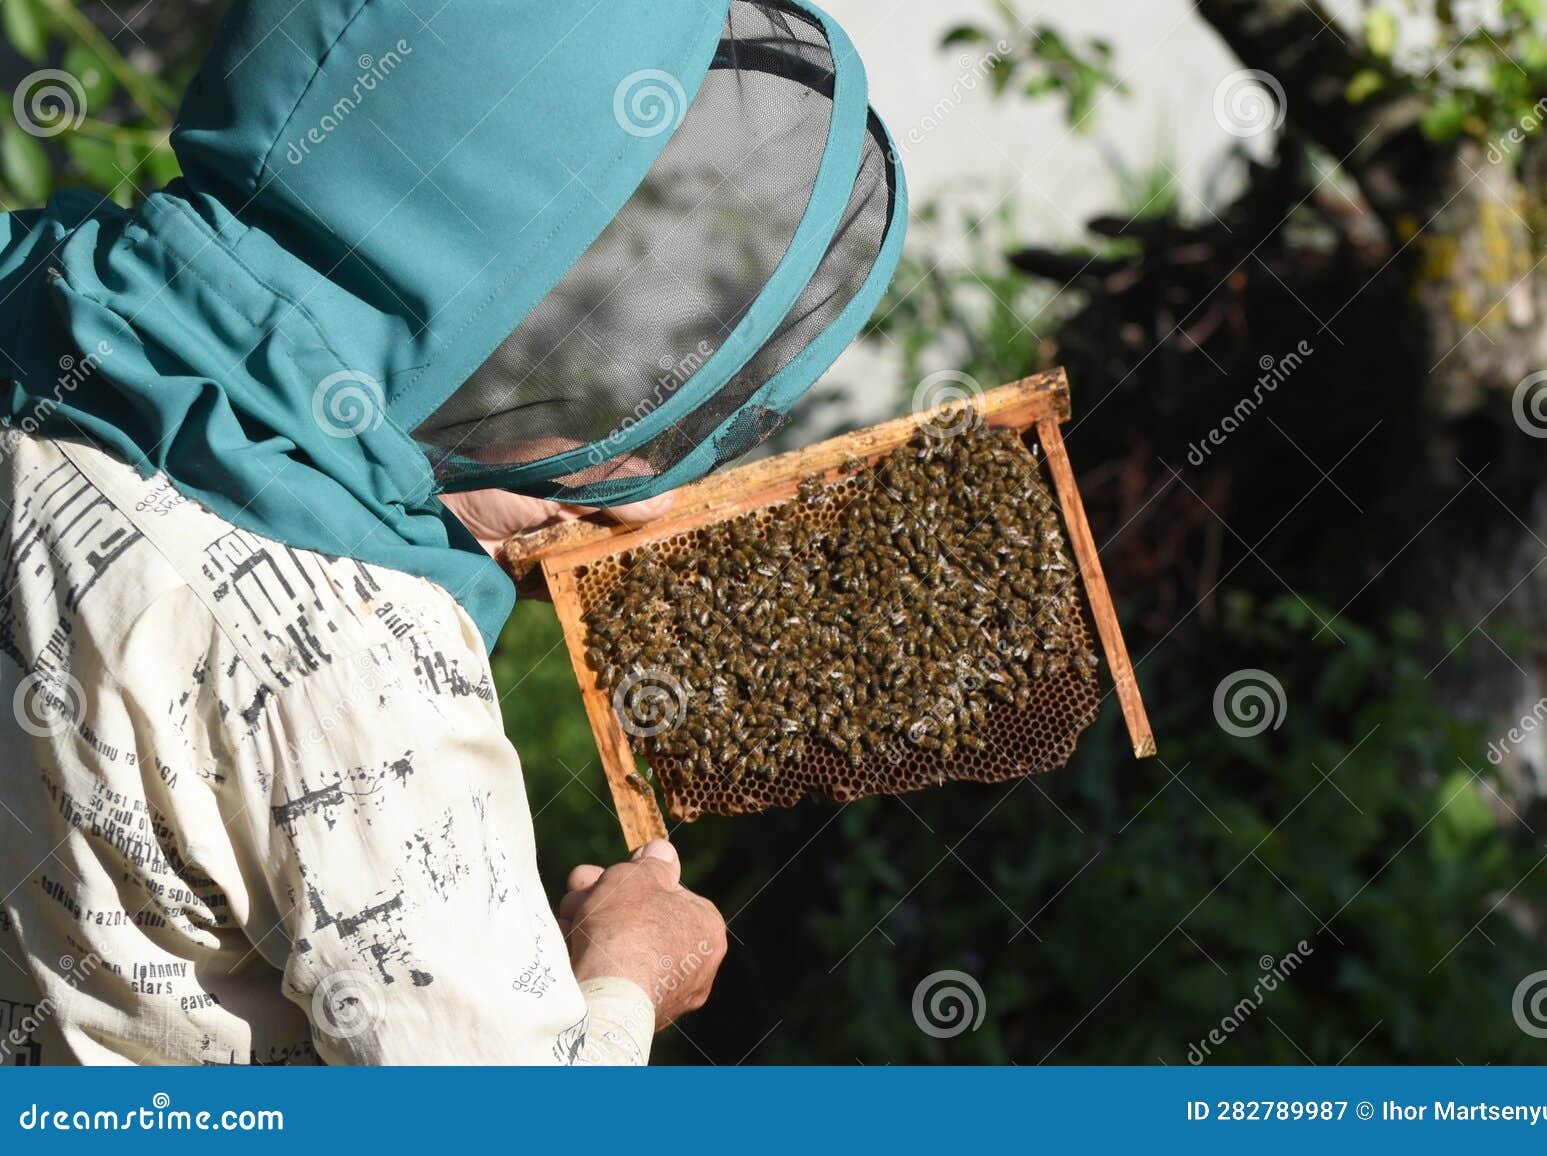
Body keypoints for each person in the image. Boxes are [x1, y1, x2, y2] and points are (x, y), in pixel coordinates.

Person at [0, 0, 903, 1065]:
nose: (646, 501)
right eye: (561, 372)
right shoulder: (358, 667)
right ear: (459, 314)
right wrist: (622, 977)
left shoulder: (36, 300)